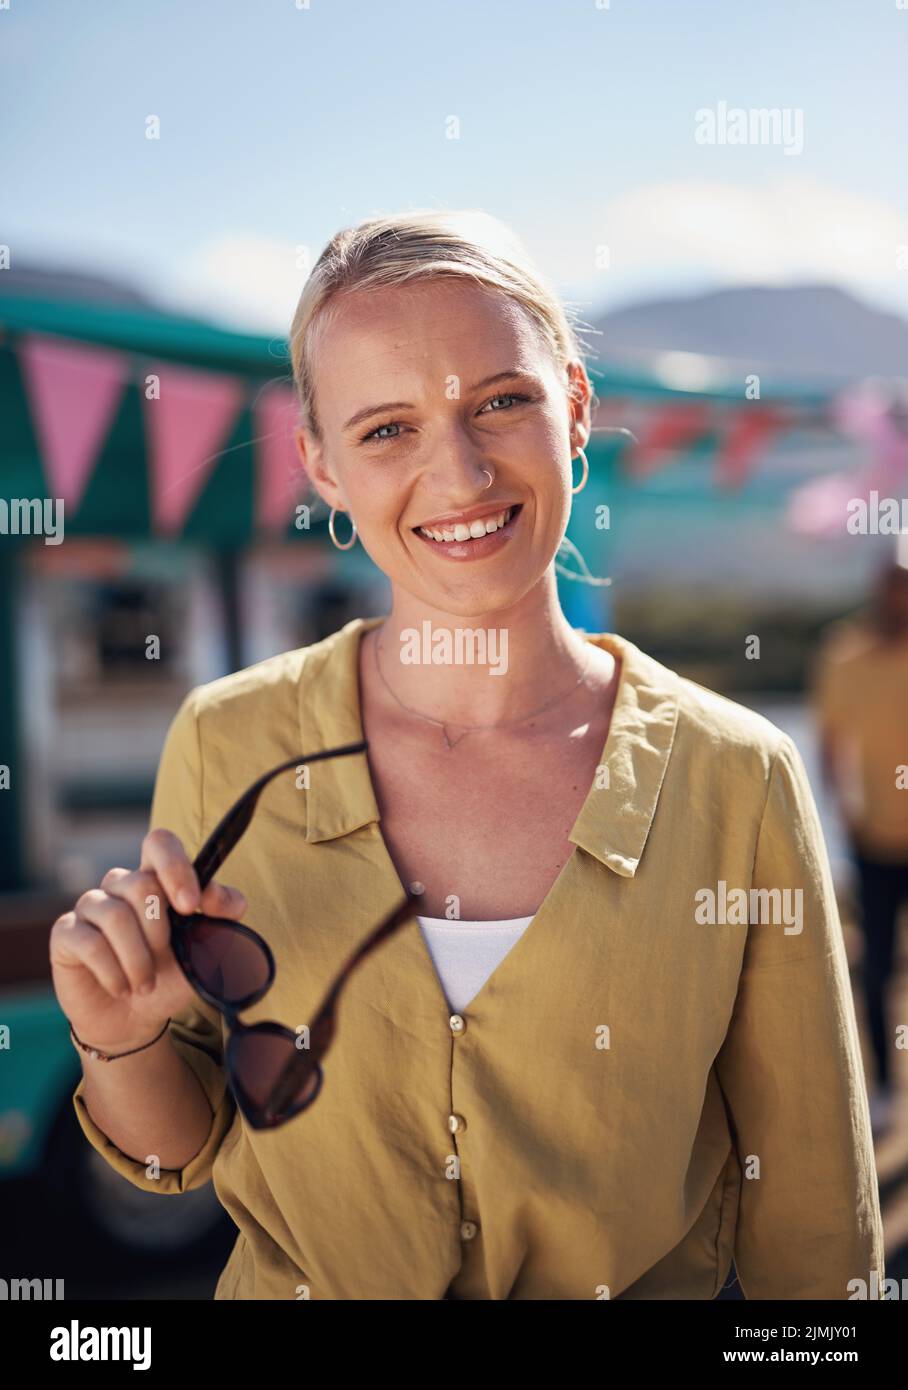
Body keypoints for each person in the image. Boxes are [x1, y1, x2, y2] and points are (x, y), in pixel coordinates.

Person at [51, 209, 884, 1300]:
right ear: (322, 468)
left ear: (574, 409)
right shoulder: (228, 740)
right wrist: (117, 1041)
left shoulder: (736, 776)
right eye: (386, 429)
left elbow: (814, 1225)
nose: (458, 474)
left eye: (500, 400)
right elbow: (176, 1157)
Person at [813, 556, 908, 1136]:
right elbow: (828, 742)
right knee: (874, 967)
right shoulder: (843, 654)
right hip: (873, 838)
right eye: (891, 586)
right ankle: (886, 1090)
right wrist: (843, 811)